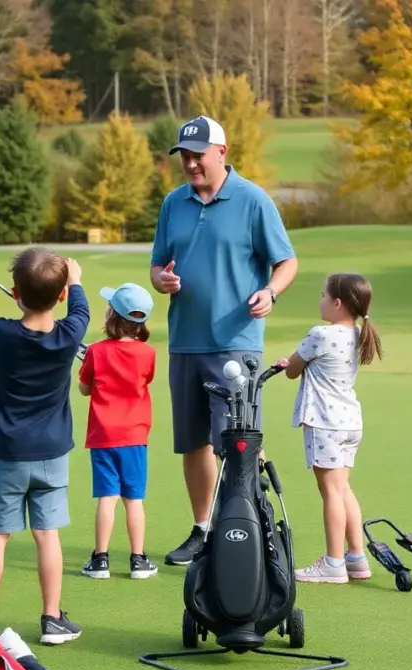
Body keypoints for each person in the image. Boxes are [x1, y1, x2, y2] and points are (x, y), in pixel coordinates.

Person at [150, 115, 299, 567]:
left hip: (236, 343)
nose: (192, 163)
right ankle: (204, 530)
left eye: (199, 155)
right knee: (193, 444)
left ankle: (251, 528)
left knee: (237, 442)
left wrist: (270, 292)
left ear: (222, 152)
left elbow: (287, 262)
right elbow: (157, 267)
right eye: (185, 156)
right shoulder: (174, 203)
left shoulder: (253, 200)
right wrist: (163, 281)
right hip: (186, 343)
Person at [0, 247, 90, 645]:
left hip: (7, 452)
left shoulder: (1, 331)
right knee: (47, 534)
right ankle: (52, 618)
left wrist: (18, 302)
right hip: (52, 453)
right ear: (60, 295)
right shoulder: (69, 336)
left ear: (15, 292)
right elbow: (80, 313)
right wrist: (74, 283)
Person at [277, 272, 382, 584]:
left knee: (331, 491)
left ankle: (333, 563)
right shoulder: (359, 333)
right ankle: (356, 557)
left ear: (337, 303)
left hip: (325, 423)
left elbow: (292, 370)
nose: (320, 300)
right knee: (343, 488)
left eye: (323, 295)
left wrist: (290, 363)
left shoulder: (321, 334)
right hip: (350, 422)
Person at [77, 282, 159, 580]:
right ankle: (138, 560)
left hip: (103, 436)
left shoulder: (96, 352)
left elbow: (84, 388)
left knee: (107, 497)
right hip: (135, 436)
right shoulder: (148, 353)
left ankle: (100, 560)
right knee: (133, 499)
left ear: (112, 314)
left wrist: (89, 364)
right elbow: (143, 379)